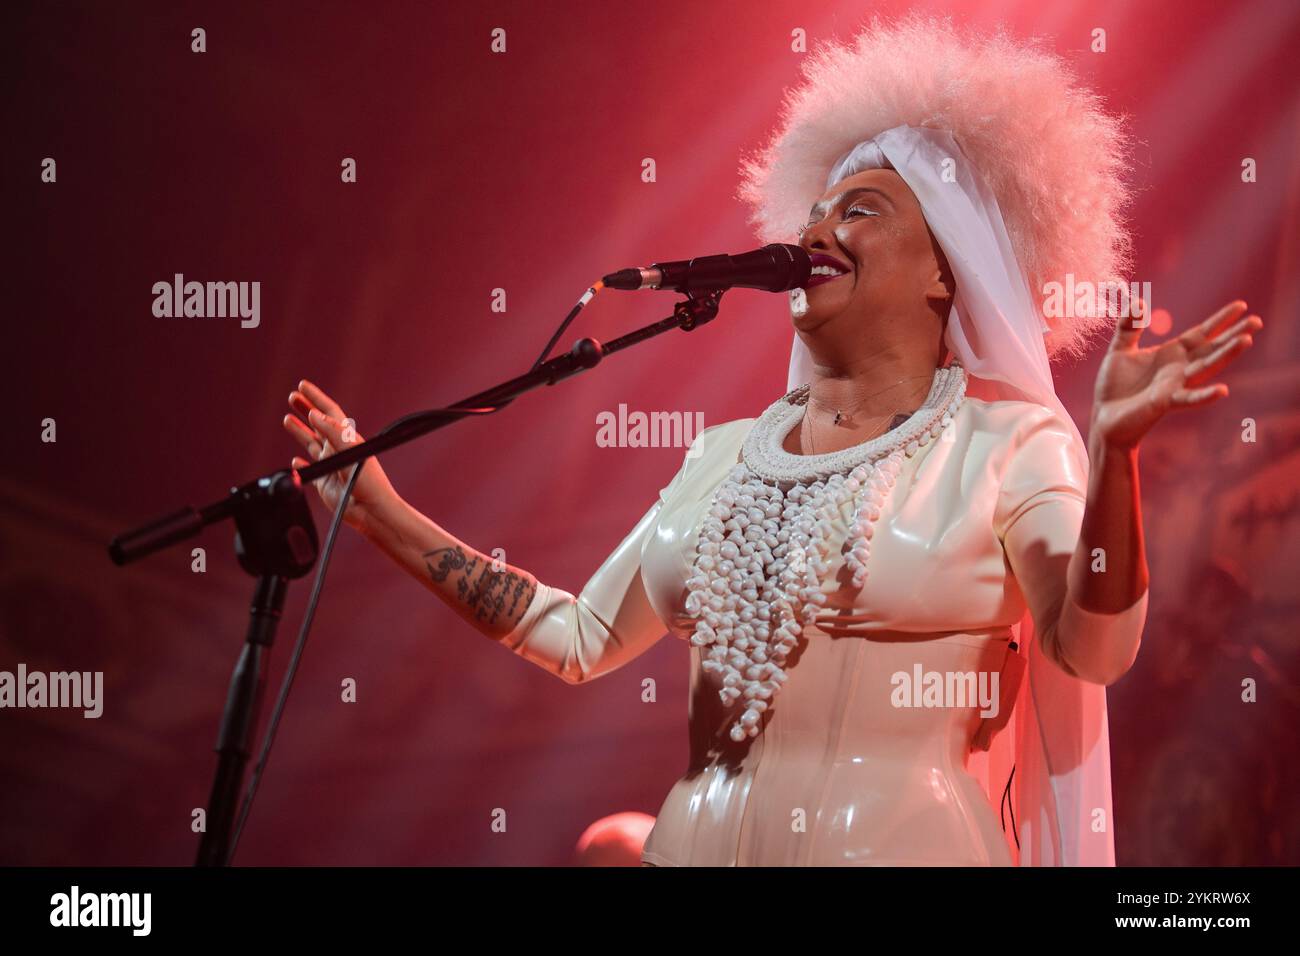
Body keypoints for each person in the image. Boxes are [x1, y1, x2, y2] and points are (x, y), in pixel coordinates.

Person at [282, 16, 1262, 866]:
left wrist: (1113, 453)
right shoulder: (719, 455)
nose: (819, 226)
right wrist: (381, 510)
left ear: (943, 274)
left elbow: (1090, 646)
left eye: (862, 209)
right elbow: (575, 637)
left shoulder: (1007, 444)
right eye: (819, 208)